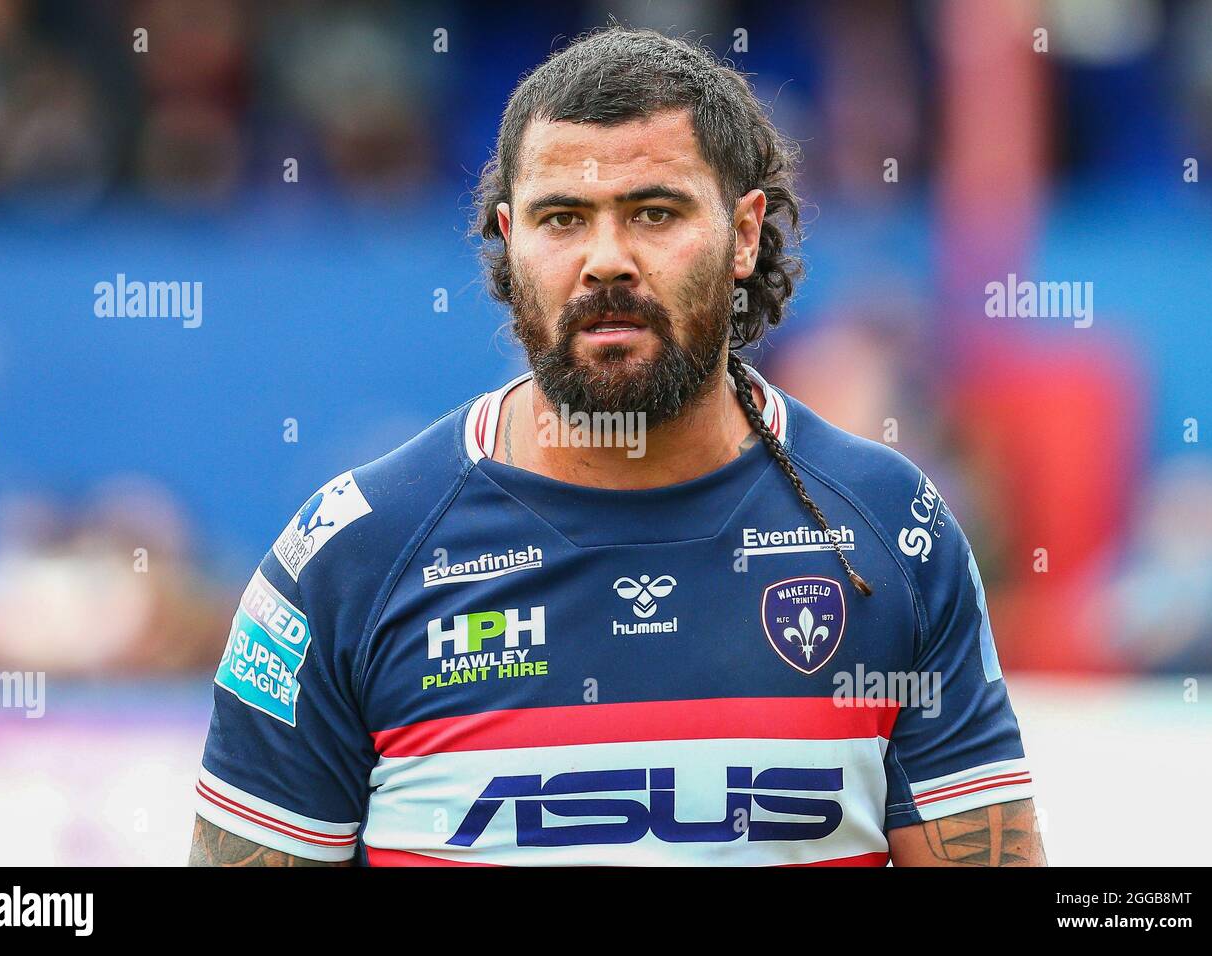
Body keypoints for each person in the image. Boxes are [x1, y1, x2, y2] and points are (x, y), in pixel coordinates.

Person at [189, 26, 1044, 867]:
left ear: (745, 233)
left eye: (655, 212)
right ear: (508, 239)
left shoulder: (893, 529)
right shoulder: (349, 559)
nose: (607, 261)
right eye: (563, 218)